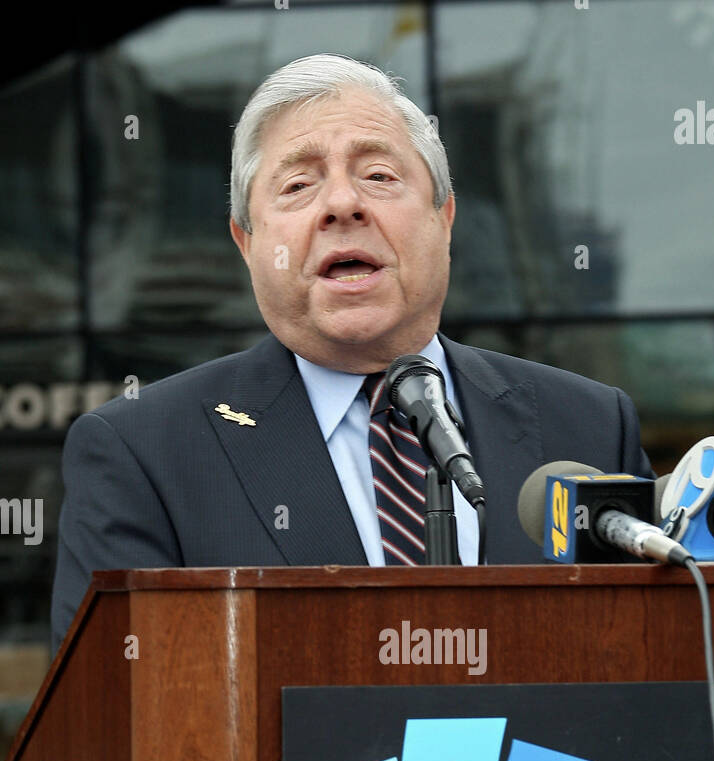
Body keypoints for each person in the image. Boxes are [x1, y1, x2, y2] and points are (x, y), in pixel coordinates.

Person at [50, 53, 652, 653]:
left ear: (444, 218)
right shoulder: (141, 453)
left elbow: (648, 673)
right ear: (247, 243)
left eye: (379, 176)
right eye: (298, 184)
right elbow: (115, 721)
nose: (343, 204)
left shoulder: (591, 426)